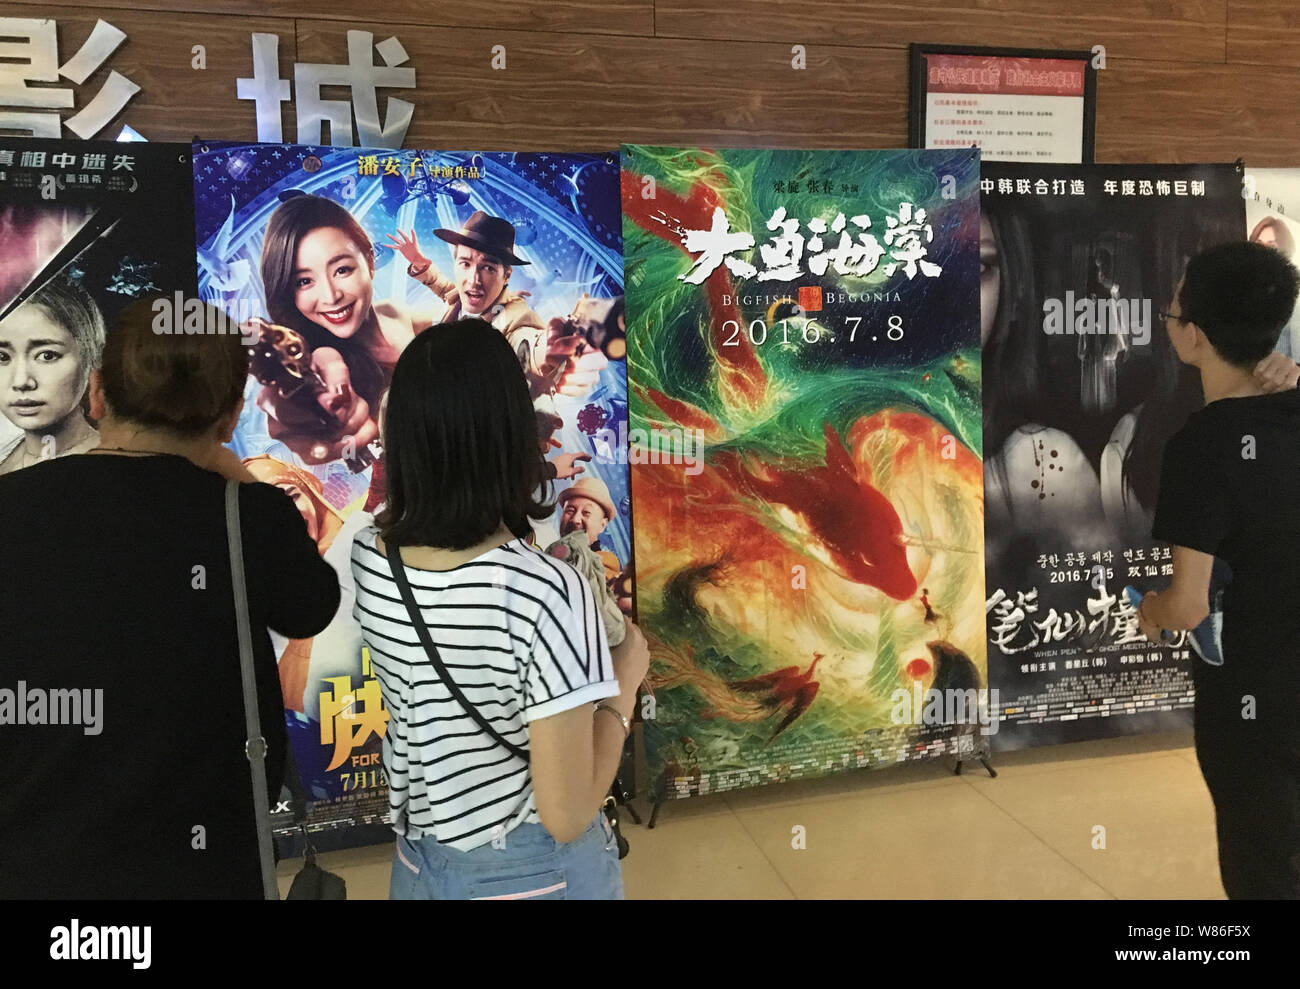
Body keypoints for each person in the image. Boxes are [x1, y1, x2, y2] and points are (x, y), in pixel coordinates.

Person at [0, 296, 339, 898]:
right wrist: (237, 477)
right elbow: (311, 606)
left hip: (37, 863)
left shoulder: (12, 509)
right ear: (232, 417)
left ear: (96, 393)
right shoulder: (249, 517)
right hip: (206, 862)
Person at [350, 318, 649, 900]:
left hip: (417, 867)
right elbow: (566, 814)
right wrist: (622, 692)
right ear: (512, 434)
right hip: (533, 873)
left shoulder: (371, 555)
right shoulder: (546, 592)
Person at [1137, 241, 1300, 898]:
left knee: (1261, 859)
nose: (1169, 321)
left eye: (1172, 312)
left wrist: (1151, 607)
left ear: (1194, 337)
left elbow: (1189, 607)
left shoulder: (1201, 448)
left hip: (1254, 698)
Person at [0, 274, 104, 474]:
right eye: (2, 357)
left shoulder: (119, 473)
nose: (22, 382)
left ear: (93, 356)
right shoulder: (6, 453)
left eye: (47, 356)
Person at [558, 476, 633, 614]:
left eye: (586, 513)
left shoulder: (604, 563)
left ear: (602, 525)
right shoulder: (548, 556)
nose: (575, 519)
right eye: (570, 510)